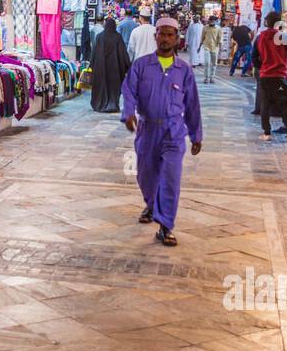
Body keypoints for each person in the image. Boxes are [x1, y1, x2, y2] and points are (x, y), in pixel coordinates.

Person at [122, 17, 203, 246]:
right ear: (154, 36)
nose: (165, 38)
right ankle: (151, 204)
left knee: (170, 178)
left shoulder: (184, 70)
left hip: (174, 132)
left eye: (170, 35)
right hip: (147, 130)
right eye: (161, 34)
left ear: (177, 39)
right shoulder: (141, 65)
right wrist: (128, 113)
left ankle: (166, 226)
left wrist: (196, 135)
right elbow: (129, 90)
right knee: (146, 176)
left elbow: (192, 104)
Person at [254, 11, 287, 144]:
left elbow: (254, 58)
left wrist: (264, 65)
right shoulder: (282, 36)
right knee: (285, 105)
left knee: (265, 104)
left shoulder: (260, 37)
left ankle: (266, 133)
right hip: (279, 76)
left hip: (264, 75)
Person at [90, 15, 131, 113]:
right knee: (113, 87)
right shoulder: (117, 37)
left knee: (101, 85)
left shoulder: (99, 37)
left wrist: (92, 65)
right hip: (115, 69)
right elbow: (123, 53)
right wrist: (127, 66)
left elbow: (94, 53)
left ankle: (100, 103)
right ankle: (112, 104)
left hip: (101, 68)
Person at [200, 17, 222, 84]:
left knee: (214, 63)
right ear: (209, 21)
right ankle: (206, 78)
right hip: (206, 47)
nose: (212, 21)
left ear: (215, 21)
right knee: (207, 63)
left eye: (213, 20)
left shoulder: (218, 28)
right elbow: (202, 37)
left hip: (215, 48)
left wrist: (220, 48)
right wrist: (200, 45)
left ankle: (212, 77)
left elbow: (220, 38)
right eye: (211, 20)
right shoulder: (205, 27)